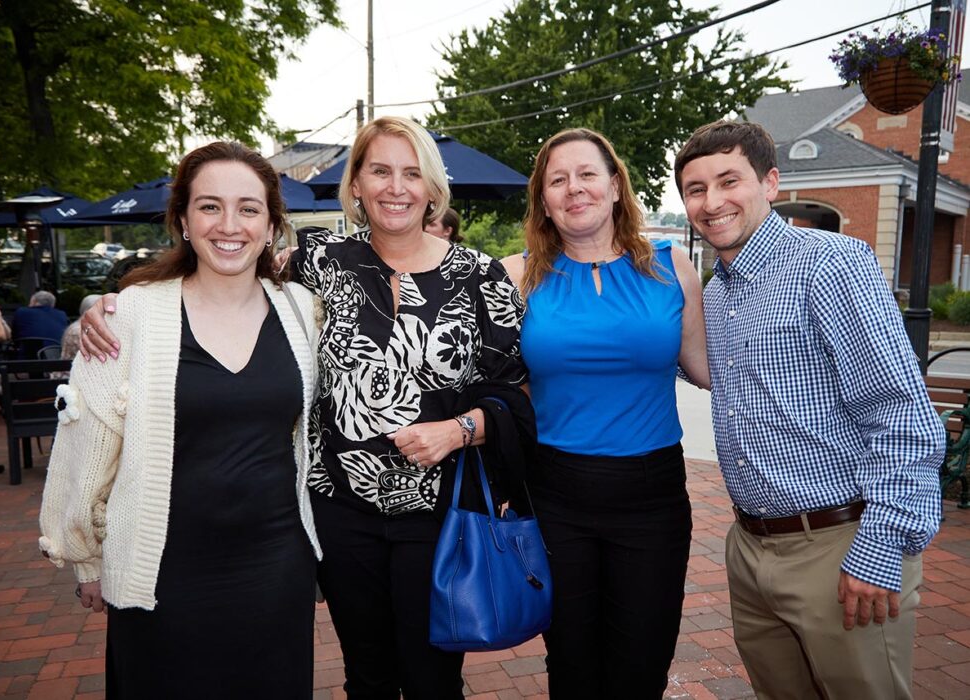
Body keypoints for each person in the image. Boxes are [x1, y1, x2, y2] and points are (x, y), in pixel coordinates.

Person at [79, 116, 531, 700]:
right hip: (339, 513)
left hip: (441, 515)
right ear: (357, 185)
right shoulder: (317, 263)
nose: (396, 187)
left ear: (431, 188)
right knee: (365, 675)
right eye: (380, 171)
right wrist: (115, 305)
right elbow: (224, 283)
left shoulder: (480, 277)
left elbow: (514, 391)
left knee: (432, 679)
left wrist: (460, 430)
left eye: (411, 173)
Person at [39, 141, 323, 699]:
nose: (230, 225)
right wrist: (84, 557)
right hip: (165, 575)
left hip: (275, 570)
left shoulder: (302, 312)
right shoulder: (131, 316)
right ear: (183, 221)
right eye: (210, 206)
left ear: (271, 225)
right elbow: (88, 443)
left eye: (249, 208)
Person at [674, 120, 944, 699]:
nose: (712, 202)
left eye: (729, 181)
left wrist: (879, 547)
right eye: (695, 190)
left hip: (839, 543)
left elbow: (902, 415)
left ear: (769, 182)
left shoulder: (830, 263)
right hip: (750, 547)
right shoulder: (715, 291)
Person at [500, 128, 709, 699]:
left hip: (652, 496)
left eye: (588, 174)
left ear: (616, 185)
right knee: (570, 663)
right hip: (556, 493)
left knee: (640, 666)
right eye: (558, 179)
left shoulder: (673, 269)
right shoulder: (516, 277)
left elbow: (710, 370)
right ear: (543, 199)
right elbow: (492, 384)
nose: (575, 189)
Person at [11, 290, 68, 354]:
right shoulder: (61, 315)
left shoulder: (21, 312)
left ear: (34, 301)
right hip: (55, 356)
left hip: (25, 357)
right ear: (52, 304)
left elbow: (14, 335)